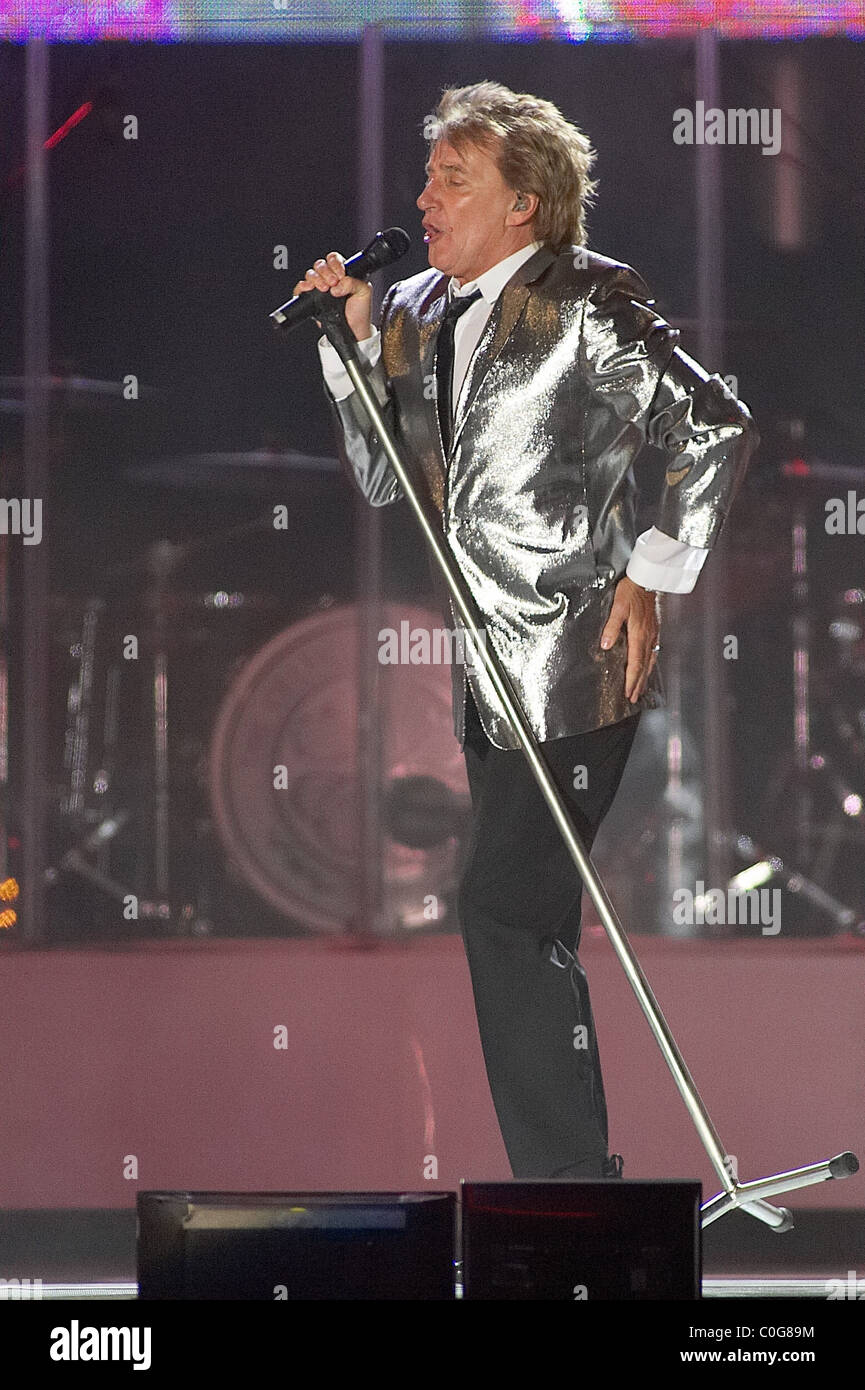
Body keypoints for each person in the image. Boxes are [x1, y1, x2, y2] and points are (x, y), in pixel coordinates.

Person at [292, 81, 759, 1180]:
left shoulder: (590, 299)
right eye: (427, 177)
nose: (427, 198)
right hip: (483, 672)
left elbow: (714, 423)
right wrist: (345, 343)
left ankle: (566, 1191)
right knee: (523, 923)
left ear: (525, 205)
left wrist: (652, 571)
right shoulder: (409, 310)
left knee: (504, 909)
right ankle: (575, 1189)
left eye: (455, 181)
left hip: (578, 657)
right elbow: (380, 481)